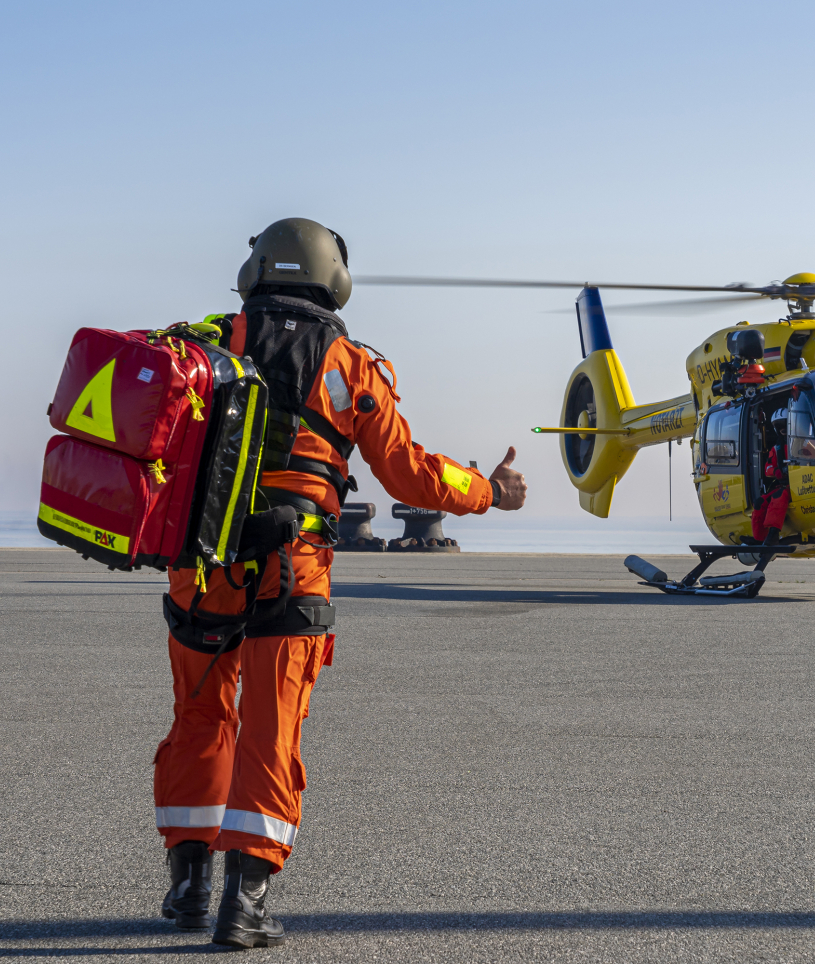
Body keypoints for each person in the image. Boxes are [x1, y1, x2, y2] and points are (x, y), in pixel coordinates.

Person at [153, 218, 527, 949]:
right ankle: (245, 906)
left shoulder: (203, 341)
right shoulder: (351, 366)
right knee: (271, 731)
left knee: (200, 717)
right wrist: (488, 489)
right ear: (336, 279)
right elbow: (410, 472)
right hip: (295, 571)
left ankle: (189, 887)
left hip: (202, 566)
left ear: (254, 270)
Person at [750, 407, 790, 544]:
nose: (783, 429)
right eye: (779, 426)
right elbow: (768, 468)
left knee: (779, 496)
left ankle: (773, 533)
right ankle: (758, 538)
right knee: (759, 502)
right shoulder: (776, 448)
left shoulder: (804, 444)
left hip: (798, 485)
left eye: (785, 425)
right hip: (782, 485)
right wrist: (776, 471)